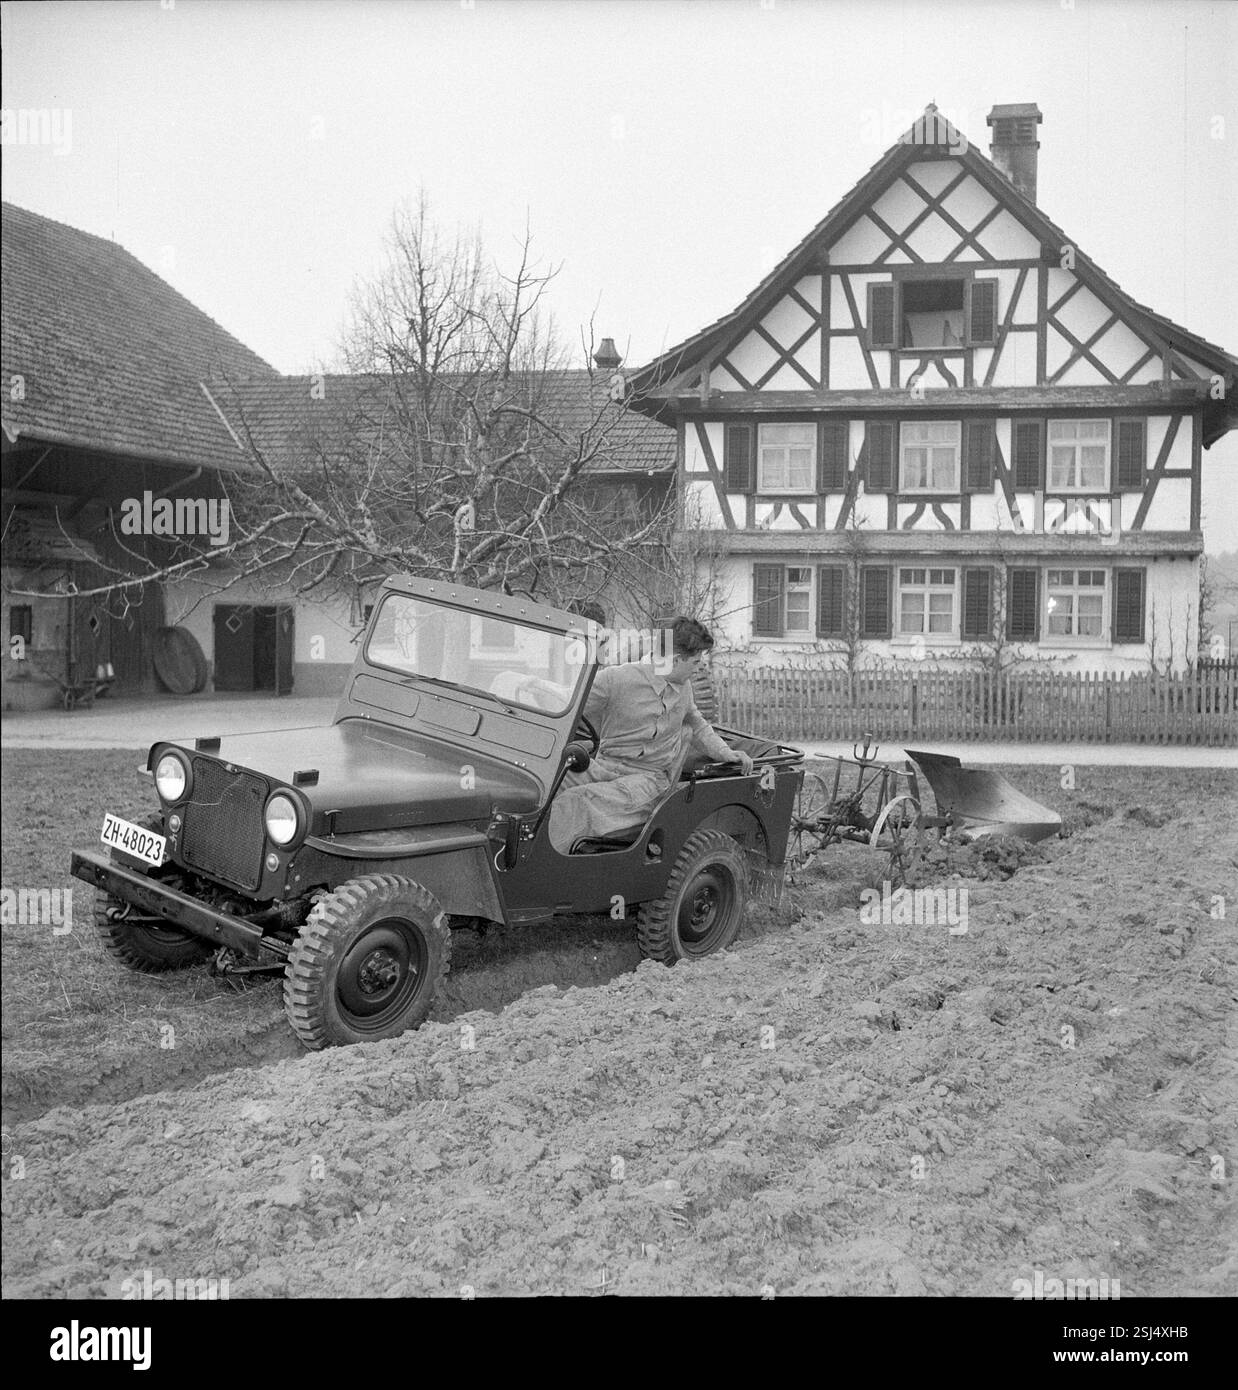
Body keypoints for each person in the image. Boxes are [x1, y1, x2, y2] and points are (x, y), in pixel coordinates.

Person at [548, 616, 754, 854]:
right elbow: (568, 706)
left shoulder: (683, 688)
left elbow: (697, 725)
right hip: (605, 768)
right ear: (676, 660)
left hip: (649, 781)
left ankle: (536, 874)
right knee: (546, 783)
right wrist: (523, 687)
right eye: (696, 662)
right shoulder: (617, 679)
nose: (698, 668)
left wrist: (727, 753)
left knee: (577, 802)